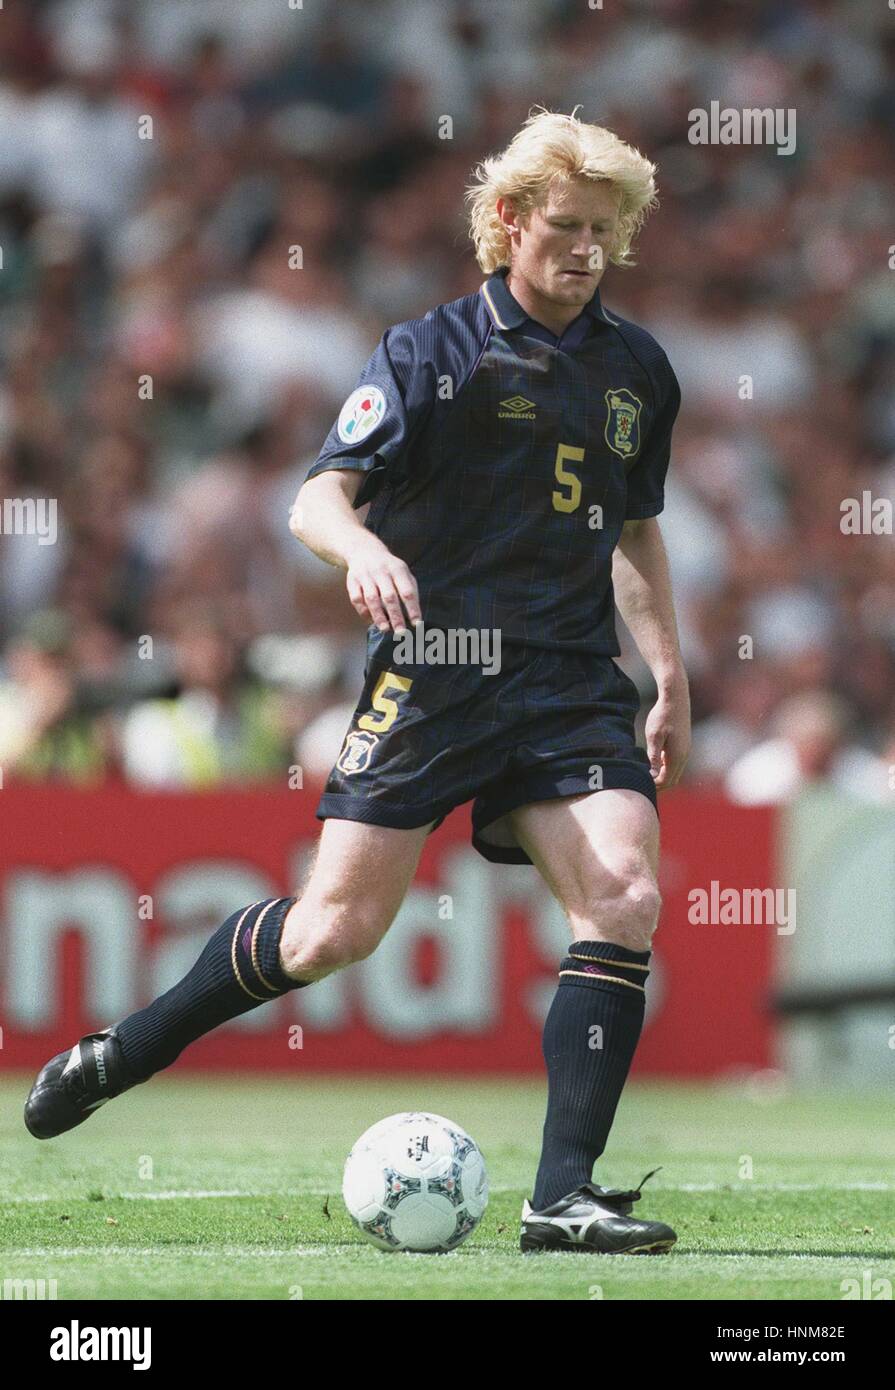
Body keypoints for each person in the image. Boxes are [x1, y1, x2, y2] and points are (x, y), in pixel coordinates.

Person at [25, 110, 690, 1256]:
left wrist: (669, 669)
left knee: (624, 892)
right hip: (435, 674)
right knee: (331, 934)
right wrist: (366, 550)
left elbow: (634, 533)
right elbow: (313, 499)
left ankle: (560, 1196)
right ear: (506, 223)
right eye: (565, 227)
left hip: (572, 681)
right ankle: (121, 1052)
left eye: (604, 230)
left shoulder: (638, 371)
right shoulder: (429, 351)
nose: (585, 248)